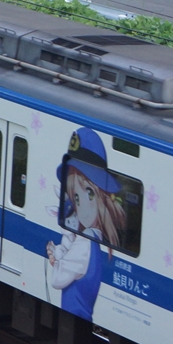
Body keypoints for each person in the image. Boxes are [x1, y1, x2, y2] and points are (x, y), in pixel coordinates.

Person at [47, 128, 127, 321]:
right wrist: (57, 255)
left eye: (89, 193)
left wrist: (55, 259)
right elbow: (68, 258)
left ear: (101, 197)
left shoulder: (83, 246)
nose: (79, 205)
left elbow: (57, 279)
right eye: (75, 196)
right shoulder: (89, 243)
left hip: (75, 313)